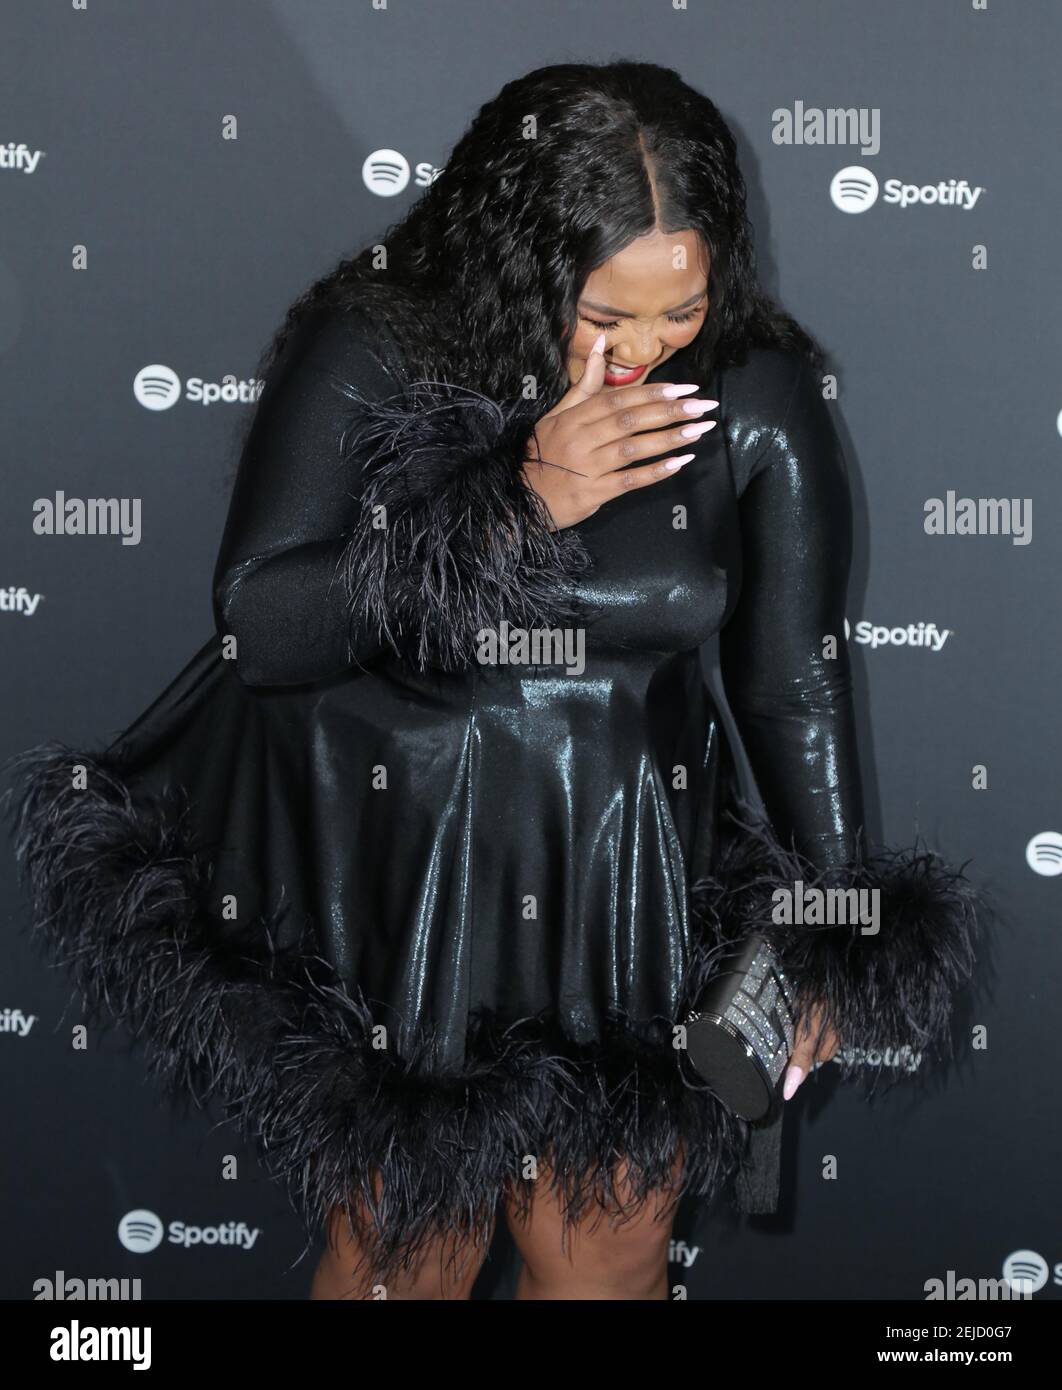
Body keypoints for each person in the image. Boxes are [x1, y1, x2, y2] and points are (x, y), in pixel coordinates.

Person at [5, 59, 981, 1301]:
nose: (640, 350)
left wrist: (837, 931)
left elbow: (790, 682)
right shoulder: (381, 337)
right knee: (405, 1261)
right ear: (525, 255)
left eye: (676, 311)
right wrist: (521, 503)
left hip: (630, 881)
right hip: (420, 888)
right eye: (604, 311)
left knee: (609, 1254)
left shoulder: (758, 393)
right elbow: (260, 617)